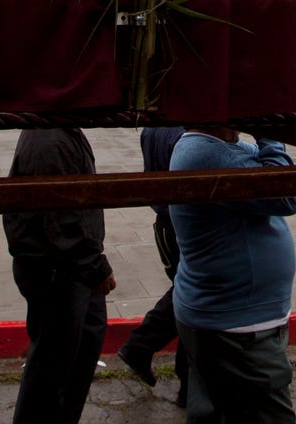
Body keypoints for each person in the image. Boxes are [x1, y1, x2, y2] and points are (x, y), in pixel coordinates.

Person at [168, 125, 296, 422]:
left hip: (227, 319)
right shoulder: (207, 153)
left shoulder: (220, 148)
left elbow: (273, 168)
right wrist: (269, 129)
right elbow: (287, 196)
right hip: (237, 327)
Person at [3, 128, 115, 424]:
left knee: (77, 357)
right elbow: (61, 221)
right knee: (51, 373)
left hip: (72, 269)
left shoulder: (62, 132)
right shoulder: (51, 141)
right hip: (58, 270)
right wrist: (96, 266)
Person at [118, 126, 188, 407]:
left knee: (184, 288)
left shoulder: (151, 131)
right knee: (189, 290)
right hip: (183, 221)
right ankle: (142, 346)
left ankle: (141, 347)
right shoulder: (185, 136)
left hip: (164, 221)